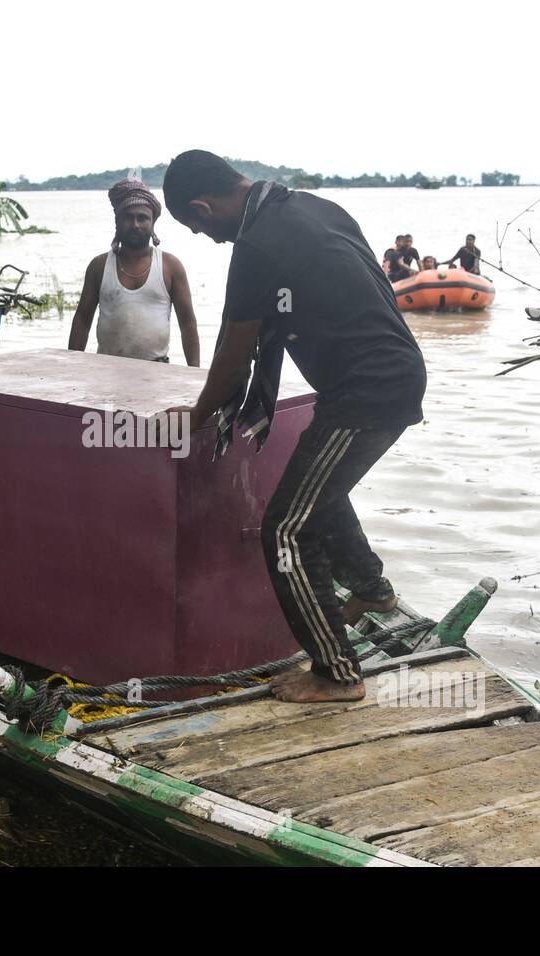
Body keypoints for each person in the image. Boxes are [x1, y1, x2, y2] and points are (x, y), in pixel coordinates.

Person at [162, 150, 427, 704]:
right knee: (316, 491)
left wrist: (192, 420)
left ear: (202, 206)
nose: (208, 239)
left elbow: (233, 360)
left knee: (284, 528)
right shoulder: (314, 207)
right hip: (391, 375)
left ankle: (336, 674)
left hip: (367, 393)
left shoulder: (256, 245)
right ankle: (372, 592)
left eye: (199, 227)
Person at [69, 178, 200, 365]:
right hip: (106, 369)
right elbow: (82, 319)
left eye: (142, 218)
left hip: (156, 370)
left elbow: (187, 323)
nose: (135, 224)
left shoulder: (170, 266)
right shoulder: (99, 266)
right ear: (117, 220)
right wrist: (72, 366)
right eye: (128, 217)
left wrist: (194, 373)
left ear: (153, 221)